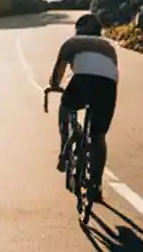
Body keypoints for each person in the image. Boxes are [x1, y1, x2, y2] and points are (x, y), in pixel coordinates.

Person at [47, 13, 118, 201]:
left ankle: (64, 149)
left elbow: (57, 73)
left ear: (78, 29)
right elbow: (111, 72)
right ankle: (96, 185)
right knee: (98, 136)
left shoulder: (72, 43)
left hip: (82, 81)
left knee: (66, 107)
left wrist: (55, 85)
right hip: (108, 86)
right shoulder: (109, 47)